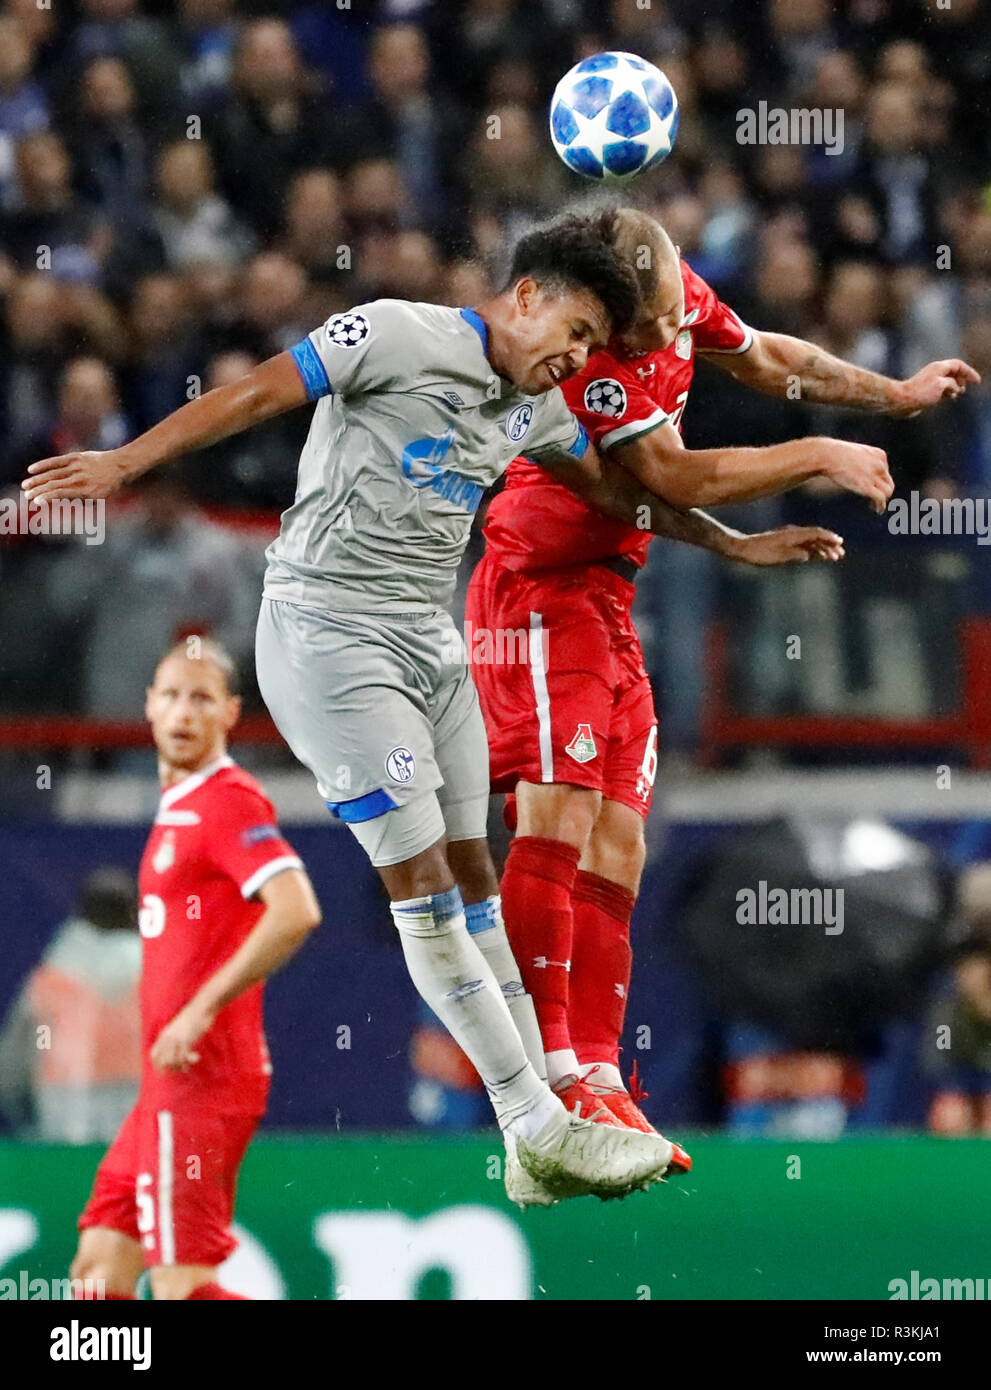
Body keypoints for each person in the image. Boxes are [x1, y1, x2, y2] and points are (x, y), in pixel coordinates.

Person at [23, 208, 845, 1207]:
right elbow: (251, 395)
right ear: (528, 296)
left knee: (474, 875)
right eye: (575, 333)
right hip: (327, 636)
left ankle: (538, 1119)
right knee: (419, 880)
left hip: (430, 636)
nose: (578, 361)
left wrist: (734, 543)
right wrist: (122, 462)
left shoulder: (539, 409)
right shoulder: (394, 334)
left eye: (595, 349)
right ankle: (534, 1119)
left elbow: (632, 498)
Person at [467, 207, 978, 1131]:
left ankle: (599, 1078)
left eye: (675, 309)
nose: (672, 332)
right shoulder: (594, 367)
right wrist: (815, 451)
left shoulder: (671, 290)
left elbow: (771, 359)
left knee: (621, 841)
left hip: (609, 598)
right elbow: (675, 477)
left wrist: (893, 395)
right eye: (653, 324)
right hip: (537, 597)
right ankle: (541, 1077)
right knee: (557, 818)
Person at [69, 639, 321, 1300]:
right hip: (166, 1081)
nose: (184, 710)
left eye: (202, 696)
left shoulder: (228, 800)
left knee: (183, 1284)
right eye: (172, 694)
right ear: (149, 705)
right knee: (99, 1271)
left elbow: (295, 909)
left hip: (203, 1077)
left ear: (231, 712)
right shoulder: (179, 808)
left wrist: (201, 1006)